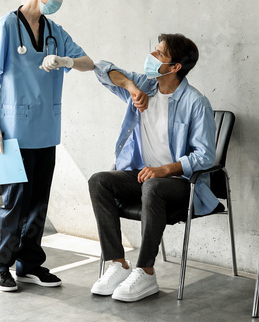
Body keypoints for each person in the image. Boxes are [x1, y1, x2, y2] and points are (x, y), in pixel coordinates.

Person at [0, 0, 94, 291]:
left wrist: (65, 61)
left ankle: (29, 264)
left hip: (46, 129)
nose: (59, 0)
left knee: (39, 202)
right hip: (13, 130)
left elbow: (88, 62)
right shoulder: (5, 26)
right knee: (14, 201)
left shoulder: (54, 32)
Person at [87, 34, 217, 302]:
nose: (152, 56)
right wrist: (132, 89)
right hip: (144, 176)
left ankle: (146, 271)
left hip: (180, 183)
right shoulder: (145, 85)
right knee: (99, 181)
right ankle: (117, 264)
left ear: (174, 67)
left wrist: (164, 170)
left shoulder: (196, 102)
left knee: (153, 185)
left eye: (159, 54)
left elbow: (205, 157)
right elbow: (101, 68)